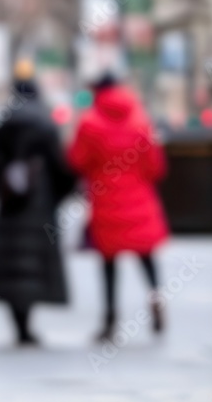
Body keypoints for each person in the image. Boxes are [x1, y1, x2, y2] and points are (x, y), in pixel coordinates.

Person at [68, 76, 169, 342]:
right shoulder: (140, 120)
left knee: (109, 263)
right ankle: (156, 298)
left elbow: (76, 160)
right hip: (139, 200)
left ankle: (110, 319)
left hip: (106, 202)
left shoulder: (89, 123)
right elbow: (156, 166)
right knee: (146, 257)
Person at [0, 78, 76, 345]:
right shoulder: (46, 125)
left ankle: (19, 325)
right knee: (34, 266)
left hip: (10, 206)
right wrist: (57, 196)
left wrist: (1, 190)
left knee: (12, 267)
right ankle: (28, 322)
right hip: (40, 205)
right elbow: (61, 168)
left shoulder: (3, 126)